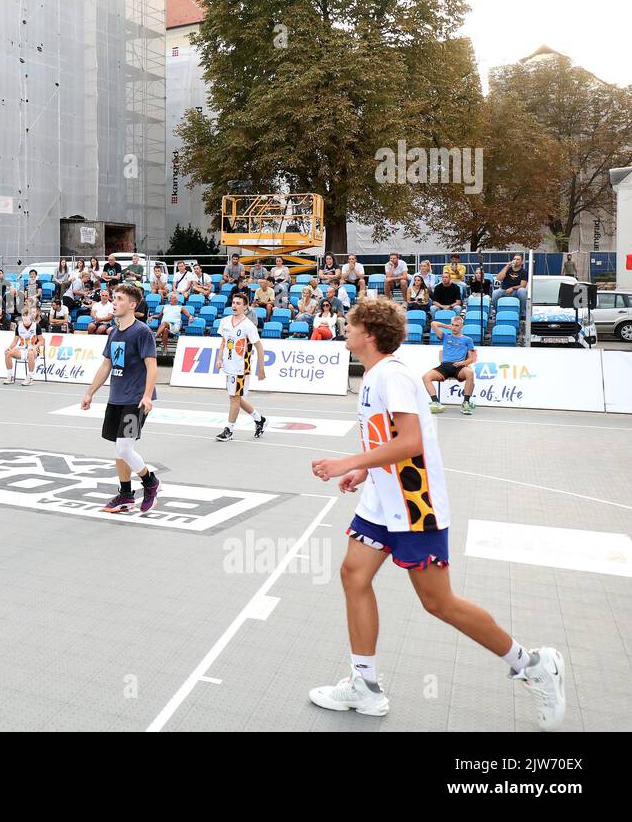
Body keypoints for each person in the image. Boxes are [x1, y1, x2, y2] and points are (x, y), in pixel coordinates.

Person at [308, 297, 564, 727]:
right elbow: (385, 440)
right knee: (354, 574)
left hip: (414, 503)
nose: (345, 330)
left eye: (351, 325)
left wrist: (348, 463)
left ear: (368, 334)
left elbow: (411, 443)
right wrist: (368, 475)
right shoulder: (374, 375)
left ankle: (532, 664)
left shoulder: (393, 377)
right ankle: (365, 687)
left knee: (437, 602)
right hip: (383, 500)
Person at [80, 284, 161, 514]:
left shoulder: (142, 331)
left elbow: (152, 366)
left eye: (119, 299)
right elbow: (106, 365)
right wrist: (90, 392)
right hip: (116, 397)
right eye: (113, 298)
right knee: (119, 450)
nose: (114, 302)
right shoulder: (114, 332)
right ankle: (126, 495)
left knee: (125, 448)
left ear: (132, 305)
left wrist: (147, 396)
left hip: (135, 399)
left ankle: (151, 483)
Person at [214, 292, 268, 442]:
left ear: (245, 307)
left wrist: (261, 368)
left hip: (241, 368)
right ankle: (259, 419)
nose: (234, 306)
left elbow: (259, 347)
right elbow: (224, 342)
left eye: (238, 303)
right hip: (228, 365)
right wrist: (219, 358)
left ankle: (229, 430)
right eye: (233, 303)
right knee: (234, 397)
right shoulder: (224, 321)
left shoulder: (248, 326)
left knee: (234, 398)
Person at [425, 314, 477, 415]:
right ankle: (436, 402)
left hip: (459, 367)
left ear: (462, 326)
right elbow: (433, 324)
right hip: (444, 367)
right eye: (453, 325)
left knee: (470, 373)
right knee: (426, 377)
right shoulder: (445, 337)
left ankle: (466, 402)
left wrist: (463, 362)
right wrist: (447, 326)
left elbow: (472, 358)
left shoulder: (467, 340)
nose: (454, 327)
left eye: (457, 325)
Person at [2, 305, 44, 386]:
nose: (25, 318)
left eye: (26, 315)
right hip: (22, 348)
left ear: (30, 316)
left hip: (35, 349)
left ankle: (30, 377)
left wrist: (34, 347)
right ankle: (10, 376)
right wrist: (9, 348)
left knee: (31, 353)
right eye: (23, 315)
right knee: (7, 353)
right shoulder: (19, 326)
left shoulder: (36, 326)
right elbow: (15, 342)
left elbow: (42, 341)